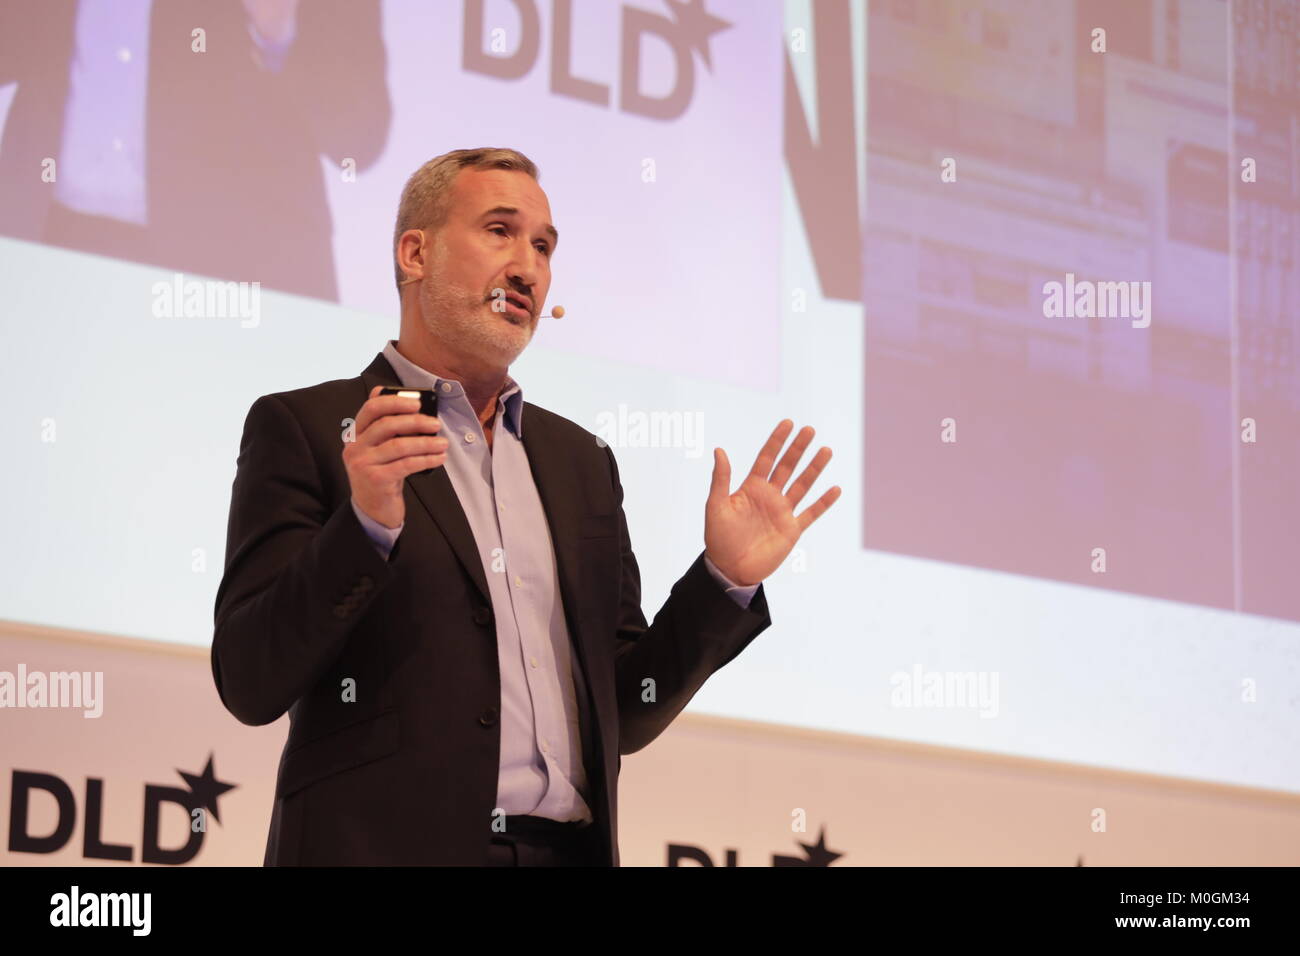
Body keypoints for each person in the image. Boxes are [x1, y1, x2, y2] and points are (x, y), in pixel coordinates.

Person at [211, 147, 841, 866]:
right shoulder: (314, 428)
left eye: (543, 246)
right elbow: (249, 680)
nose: (527, 267)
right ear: (415, 253)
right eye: (500, 232)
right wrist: (363, 528)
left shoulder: (582, 465)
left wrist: (722, 582)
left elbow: (625, 707)